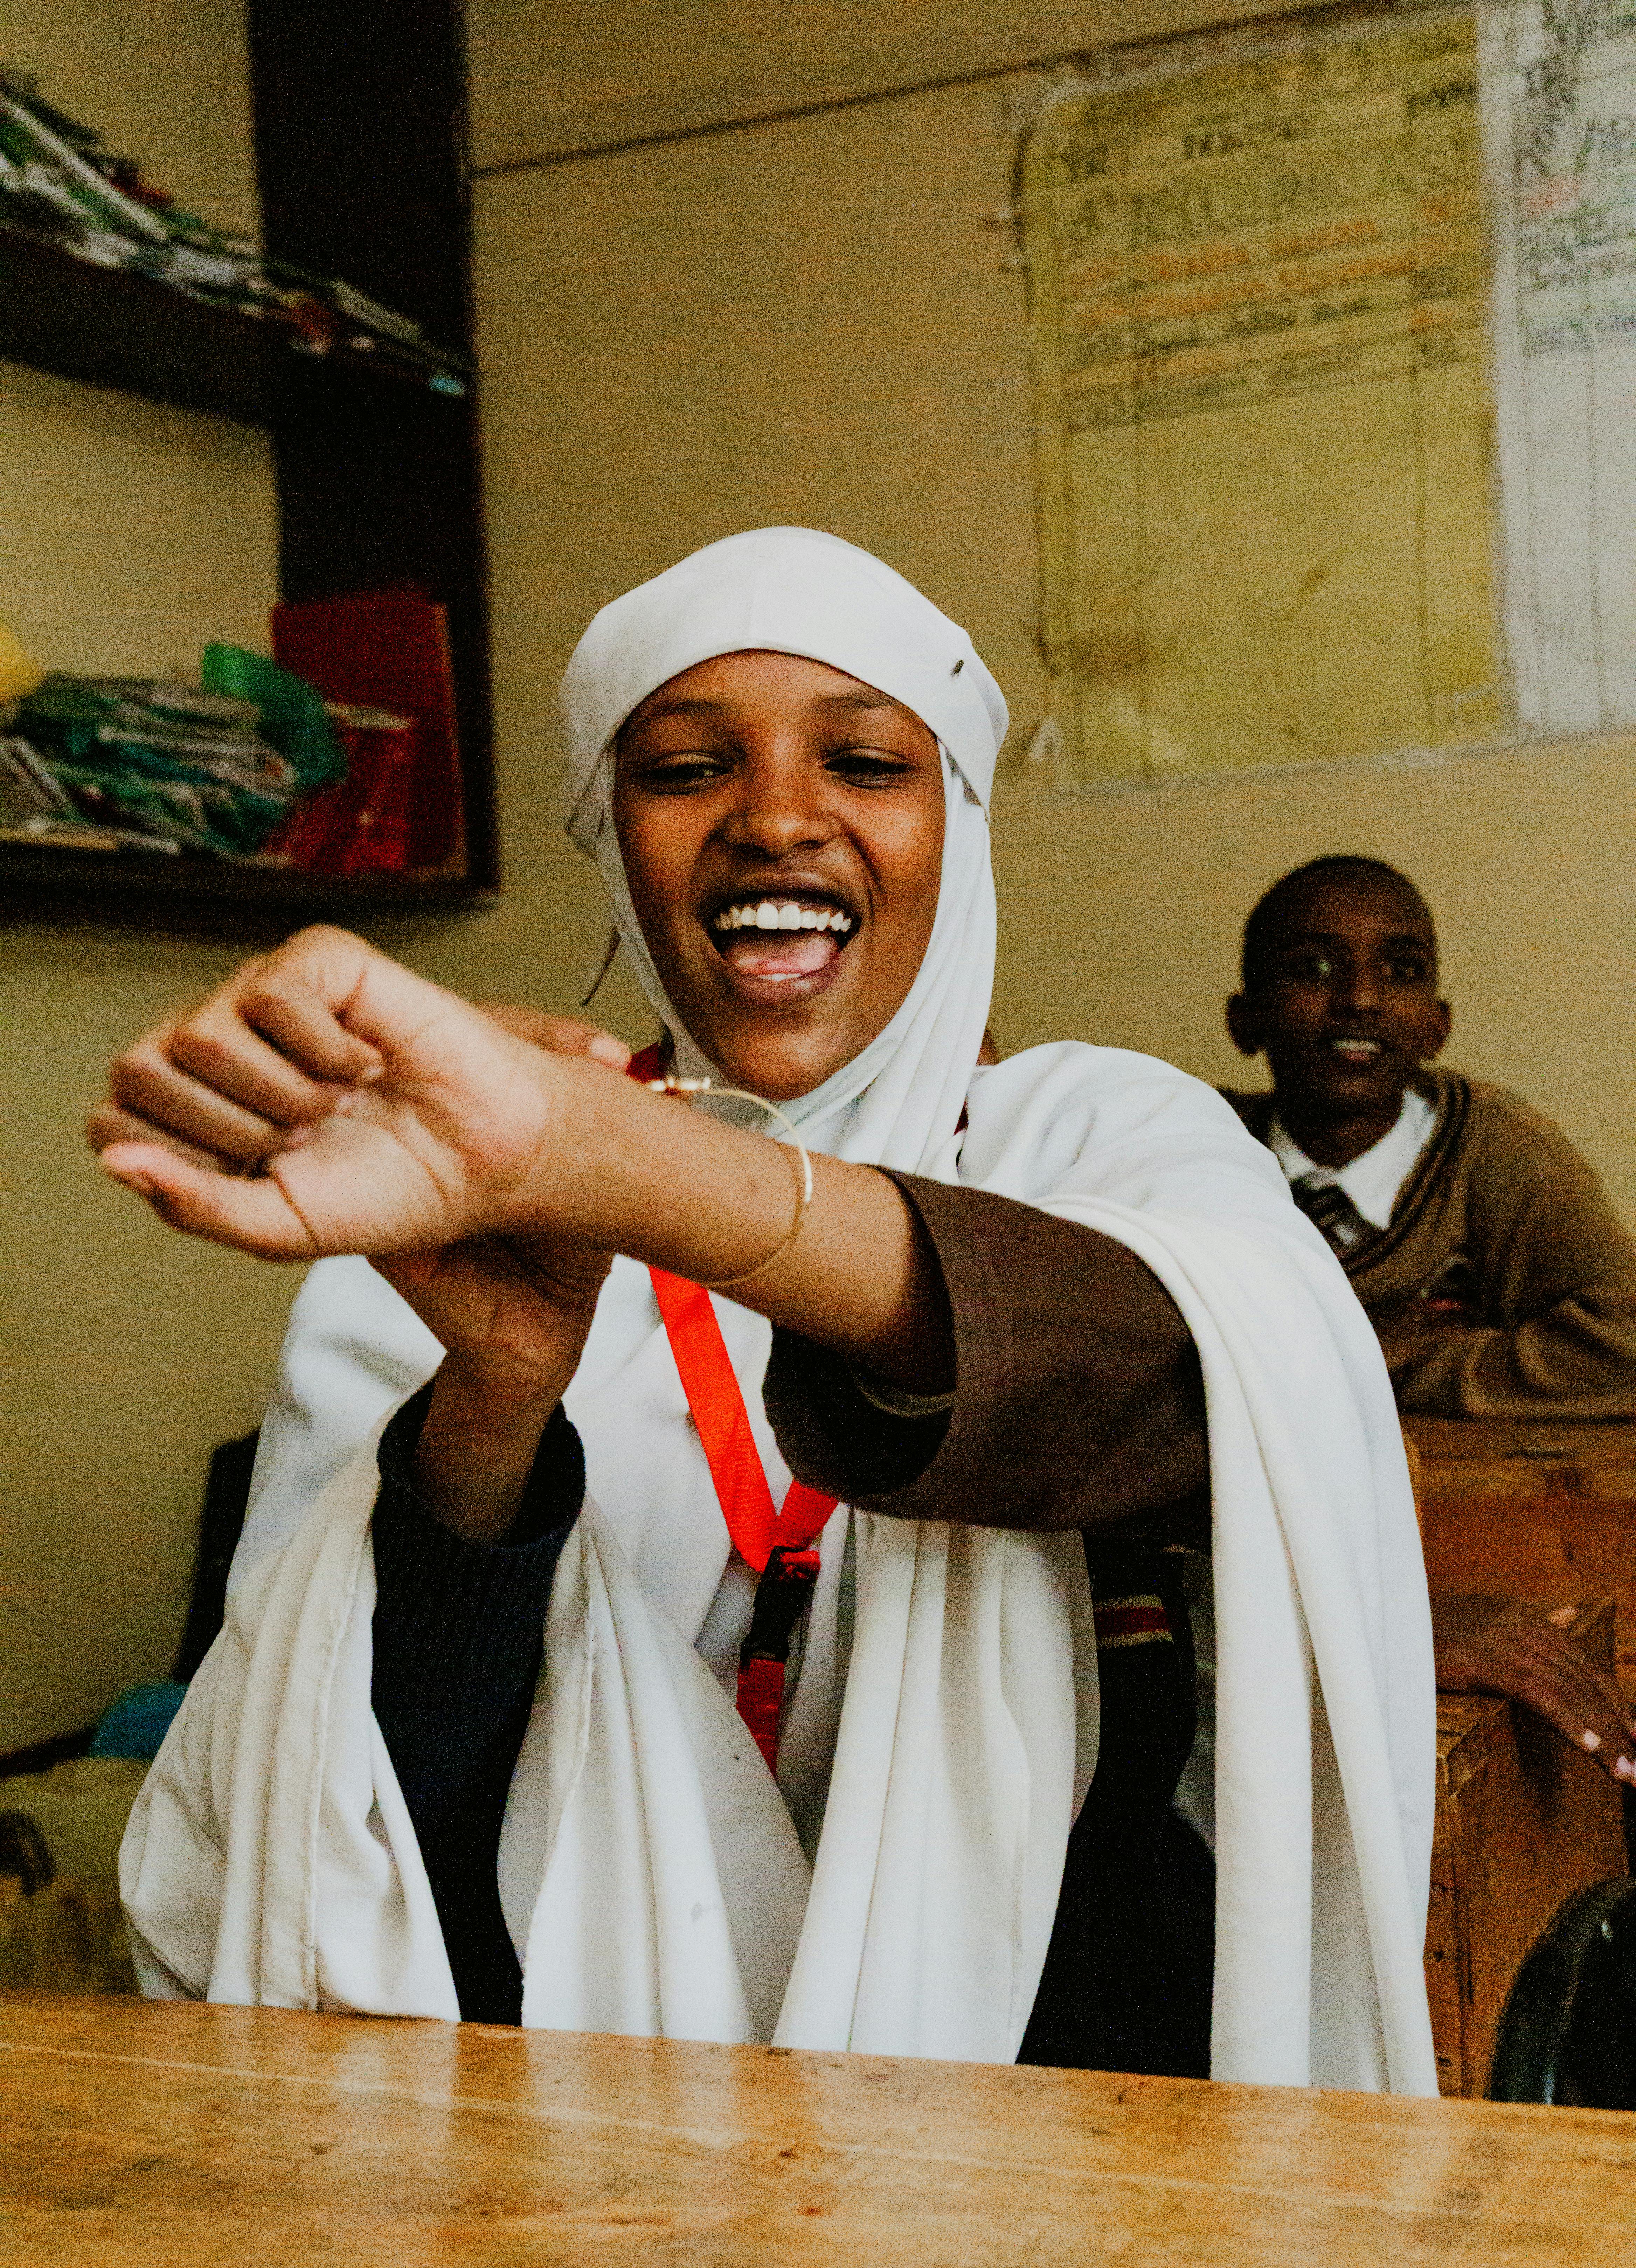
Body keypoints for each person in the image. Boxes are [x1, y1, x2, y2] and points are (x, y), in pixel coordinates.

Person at [92, 530, 1437, 2092]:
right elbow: (345, 1834)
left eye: (865, 763)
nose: (777, 817)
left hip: (1075, 2094)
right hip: (590, 2119)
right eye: (682, 770)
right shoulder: (451, 1211)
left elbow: (1171, 1391)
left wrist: (630, 1174)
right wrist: (500, 1391)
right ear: (615, 845)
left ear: (960, 830)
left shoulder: (1095, 1140)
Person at [1222, 853, 1636, 1788]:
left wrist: (1409, 1368)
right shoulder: (1203, 1152)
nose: (1359, 1000)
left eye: (1400, 971)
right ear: (1243, 1022)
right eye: (1313, 968)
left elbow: (1626, 1334)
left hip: (1482, 1563)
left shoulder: (1496, 1149)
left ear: (1439, 1025)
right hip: (1272, 1591)